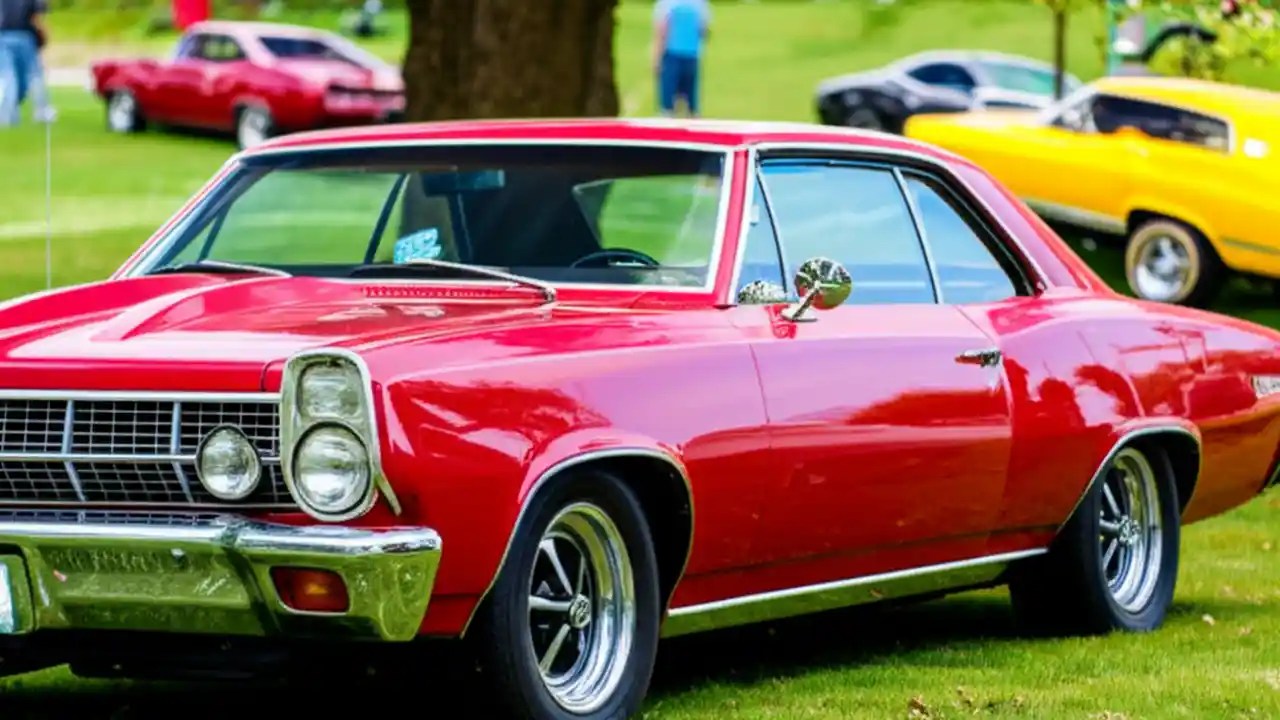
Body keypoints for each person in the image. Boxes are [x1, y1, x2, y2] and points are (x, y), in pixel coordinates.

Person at [0, 0, 55, 126]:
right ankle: (42, 111)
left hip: (3, 36)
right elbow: (36, 18)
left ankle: (7, 115)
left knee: (8, 78)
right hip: (25, 36)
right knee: (34, 75)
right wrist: (44, 34)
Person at [652, 0, 710, 118]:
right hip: (689, 55)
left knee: (669, 105)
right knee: (690, 105)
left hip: (674, 55)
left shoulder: (667, 3)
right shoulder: (699, 4)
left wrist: (656, 59)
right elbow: (703, 30)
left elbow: (661, 31)